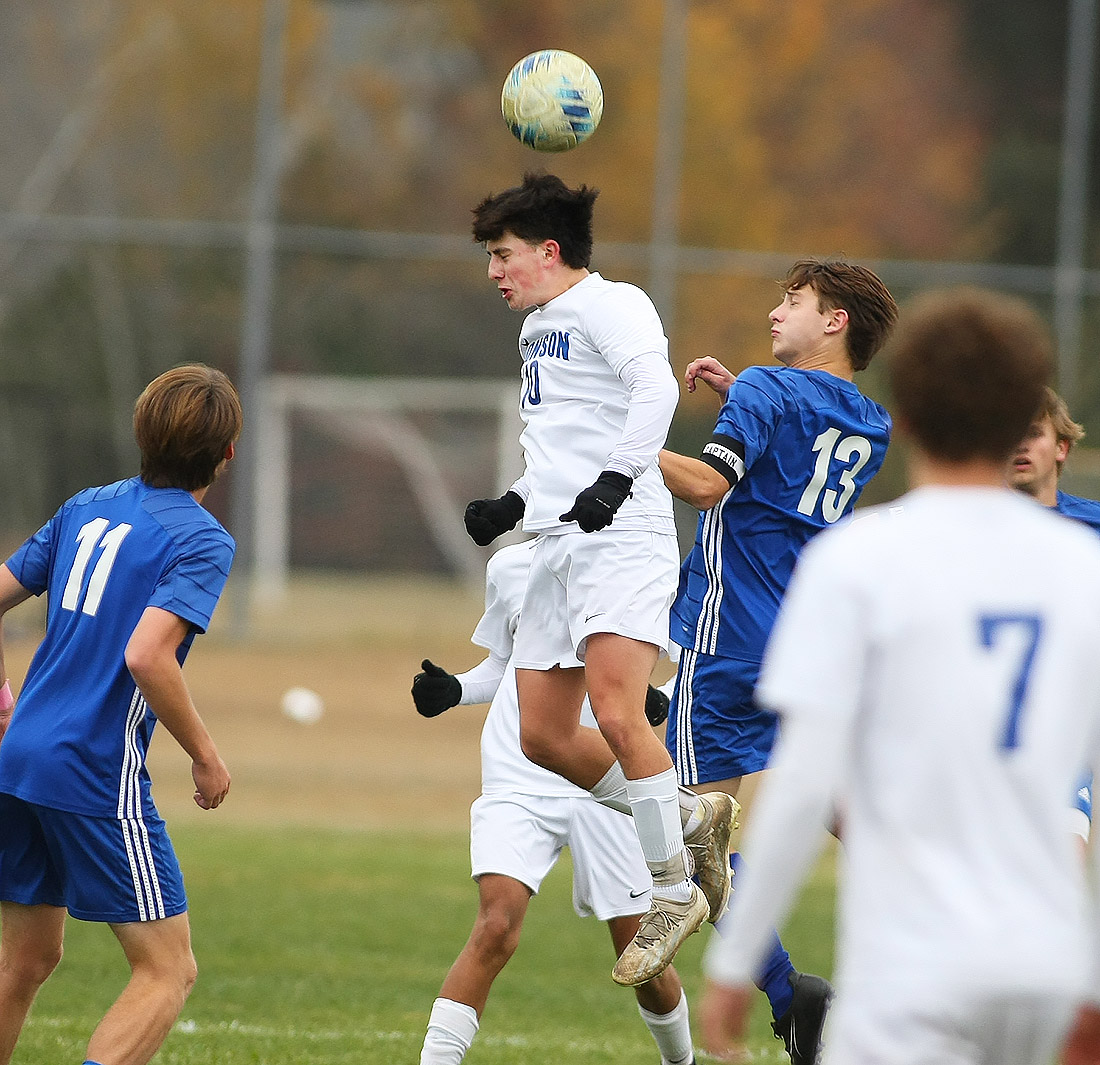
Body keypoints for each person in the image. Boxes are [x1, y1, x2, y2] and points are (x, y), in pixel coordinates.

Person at [699, 287, 1100, 1065]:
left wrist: (733, 960)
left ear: (901, 419)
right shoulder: (1080, 568)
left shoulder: (856, 560)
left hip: (913, 963)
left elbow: (807, 783)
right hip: (1050, 960)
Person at [463, 172, 737, 988]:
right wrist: (513, 501)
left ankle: (671, 886)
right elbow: (558, 442)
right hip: (556, 544)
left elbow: (653, 389)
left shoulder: (612, 303)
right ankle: (686, 815)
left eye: (503, 254)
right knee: (543, 735)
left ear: (550, 251)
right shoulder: (538, 328)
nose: (493, 271)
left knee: (618, 710)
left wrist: (620, 480)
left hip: (623, 538)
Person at [657, 258, 898, 1061]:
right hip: (809, 648)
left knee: (687, 837)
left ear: (835, 321)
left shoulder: (768, 388)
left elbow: (708, 486)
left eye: (792, 301)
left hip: (728, 643)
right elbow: (793, 460)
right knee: (851, 815)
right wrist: (744, 396)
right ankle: (950, 914)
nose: (773, 312)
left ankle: (792, 994)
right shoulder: (871, 421)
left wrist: (621, 449)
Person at [0, 364, 241, 1065]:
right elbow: (148, 656)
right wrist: (205, 753)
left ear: (143, 431)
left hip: (18, 759)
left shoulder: (86, 506)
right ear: (226, 455)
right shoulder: (201, 539)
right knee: (169, 969)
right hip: (91, 768)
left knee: (27, 960)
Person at [413, 540, 696, 1065]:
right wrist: (455, 688)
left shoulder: (640, 562)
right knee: (496, 923)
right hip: (520, 770)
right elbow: (508, 663)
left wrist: (658, 699)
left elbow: (691, 667)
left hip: (606, 781)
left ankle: (681, 1061)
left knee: (641, 952)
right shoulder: (511, 566)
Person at [1007, 386, 1100, 855]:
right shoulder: (958, 531)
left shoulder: (1091, 530)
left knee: (1063, 859)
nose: (1020, 445)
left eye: (1033, 434)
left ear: (1061, 447)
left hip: (1061, 729)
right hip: (969, 731)